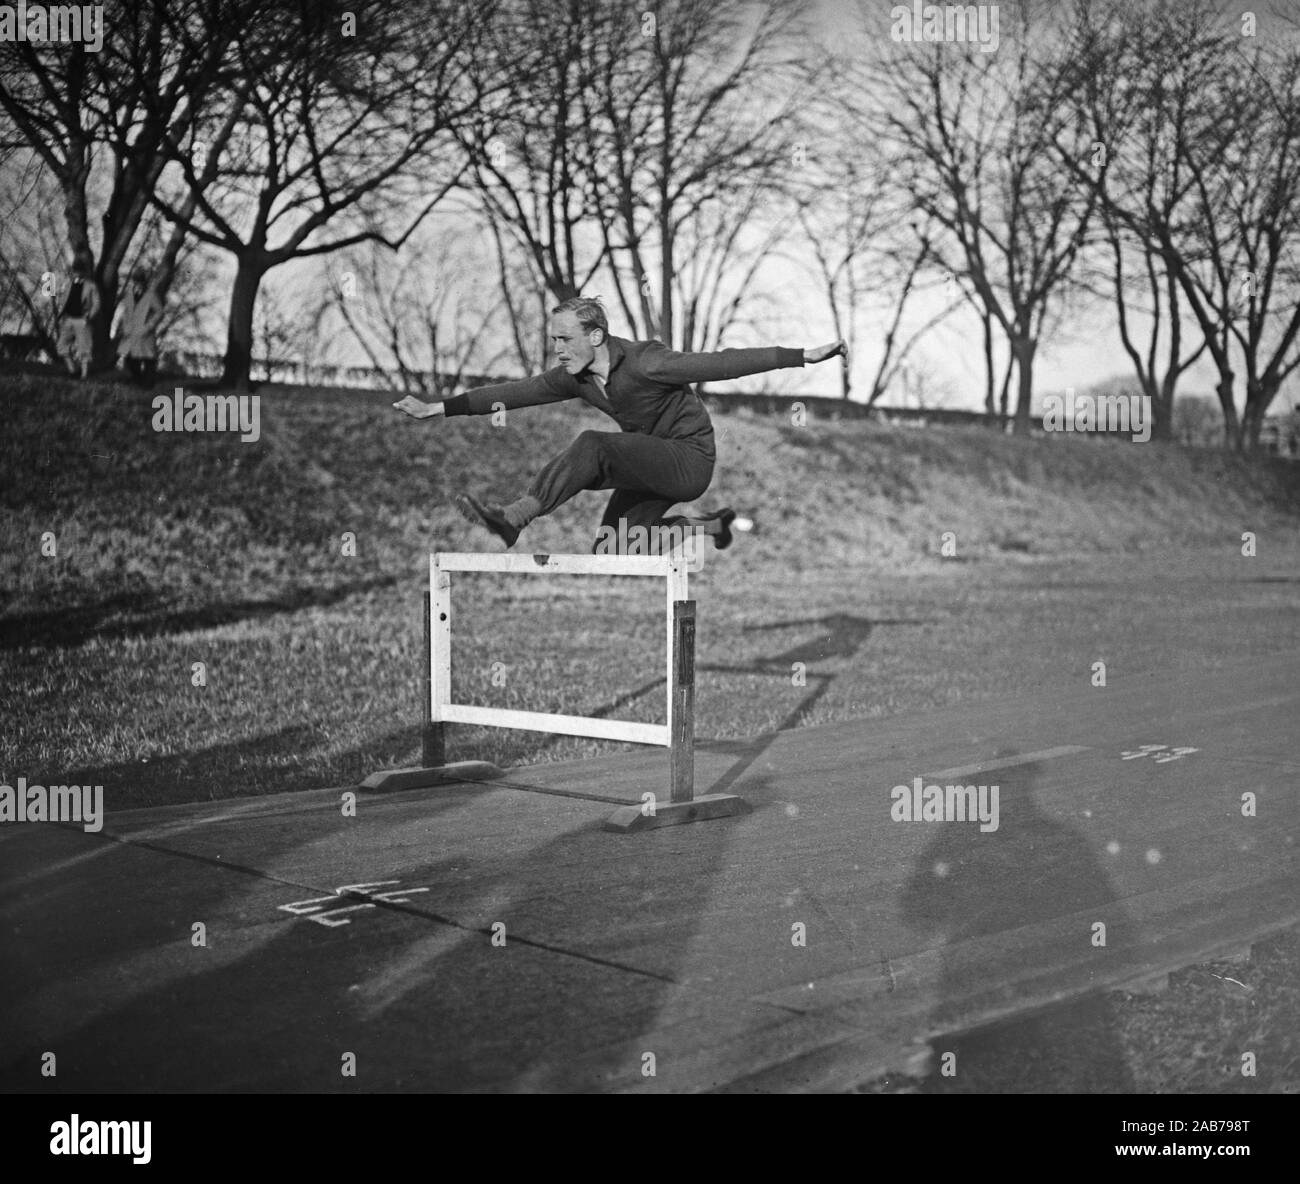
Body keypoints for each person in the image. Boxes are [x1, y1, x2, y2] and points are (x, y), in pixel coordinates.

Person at [393, 296, 846, 553]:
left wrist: (799, 356)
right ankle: (709, 527)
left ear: (595, 337)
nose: (559, 351)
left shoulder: (648, 362)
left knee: (594, 444)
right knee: (614, 548)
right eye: (553, 341)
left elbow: (721, 363)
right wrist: (441, 408)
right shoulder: (578, 377)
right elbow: (516, 392)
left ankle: (515, 517)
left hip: (689, 460)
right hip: (648, 464)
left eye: (565, 340)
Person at [111, 266, 165, 388]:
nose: (138, 284)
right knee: (131, 361)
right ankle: (141, 383)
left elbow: (160, 312)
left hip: (145, 332)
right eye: (136, 281)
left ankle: (148, 386)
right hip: (130, 332)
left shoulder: (151, 295)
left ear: (144, 282)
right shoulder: (129, 294)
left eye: (140, 282)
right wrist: (124, 327)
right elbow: (126, 312)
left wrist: (149, 326)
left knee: (148, 359)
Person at [57, 257, 101, 379]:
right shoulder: (68, 284)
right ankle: (72, 370)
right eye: (75, 270)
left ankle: (84, 375)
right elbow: (63, 299)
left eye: (79, 270)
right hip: (68, 319)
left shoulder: (91, 286)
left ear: (84, 272)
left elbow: (97, 304)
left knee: (84, 347)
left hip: (82, 320)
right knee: (61, 345)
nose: (77, 273)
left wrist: (89, 316)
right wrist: (62, 314)